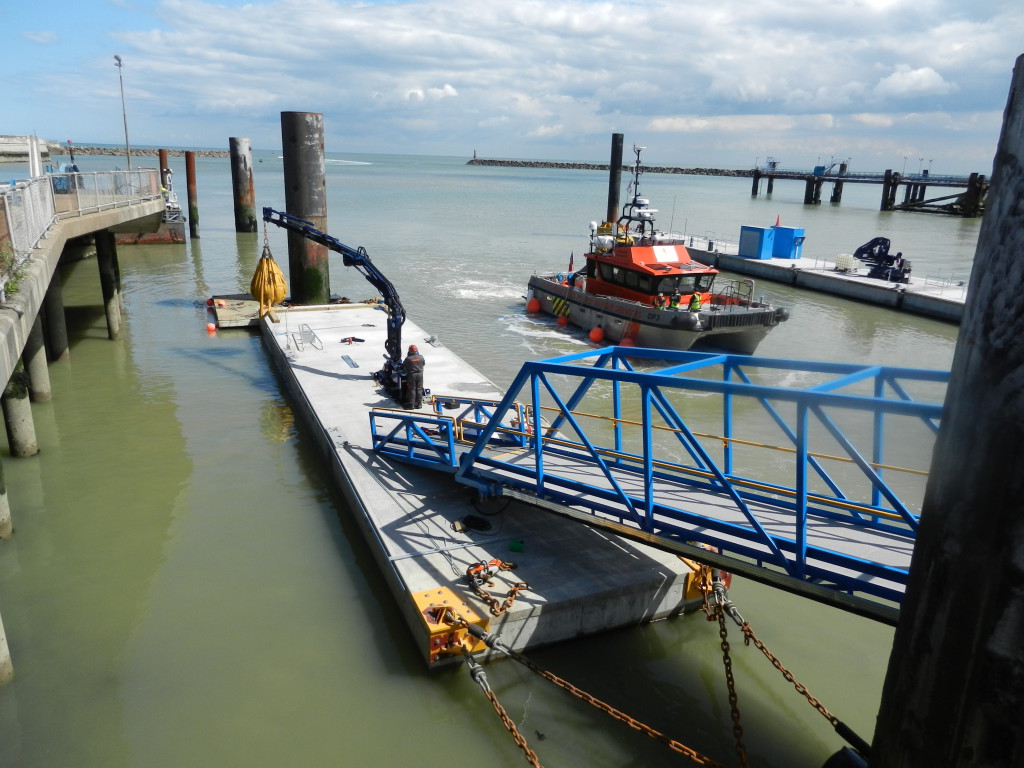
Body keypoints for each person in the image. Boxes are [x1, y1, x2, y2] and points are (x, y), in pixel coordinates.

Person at [402, 344, 425, 409]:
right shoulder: (421, 357)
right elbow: (423, 364)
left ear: (410, 351)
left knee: (412, 389)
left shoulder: (408, 359)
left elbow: (403, 366)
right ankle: (419, 404)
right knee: (419, 389)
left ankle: (411, 405)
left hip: (412, 375)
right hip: (420, 375)